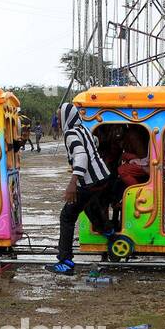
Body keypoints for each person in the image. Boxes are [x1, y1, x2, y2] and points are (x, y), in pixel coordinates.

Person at [46, 101, 110, 276]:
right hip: (102, 178)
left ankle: (65, 261)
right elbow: (94, 142)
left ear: (67, 118)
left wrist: (72, 183)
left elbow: (81, 156)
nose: (58, 122)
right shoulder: (84, 129)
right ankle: (109, 232)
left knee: (67, 216)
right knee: (88, 205)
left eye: (59, 118)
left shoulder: (71, 134)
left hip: (87, 181)